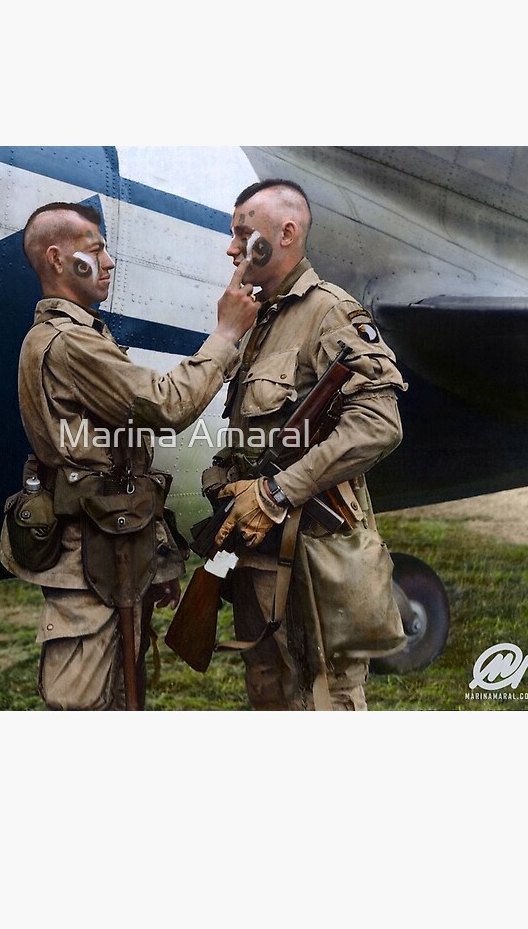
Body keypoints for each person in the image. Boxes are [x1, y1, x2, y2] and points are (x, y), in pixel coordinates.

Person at [0, 201, 258, 710]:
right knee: (85, 703)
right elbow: (167, 405)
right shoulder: (69, 344)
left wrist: (152, 561)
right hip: (91, 555)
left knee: (122, 691)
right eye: (95, 250)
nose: (109, 261)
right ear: (57, 259)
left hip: (113, 547)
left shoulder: (80, 336)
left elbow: (123, 465)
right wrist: (226, 333)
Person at [204, 178, 408, 710]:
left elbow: (377, 425)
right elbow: (252, 435)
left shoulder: (331, 313)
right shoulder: (259, 320)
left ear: (287, 232)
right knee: (268, 691)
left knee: (323, 697)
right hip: (256, 553)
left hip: (314, 559)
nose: (231, 248)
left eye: (242, 234)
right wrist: (225, 485)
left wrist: (274, 492)